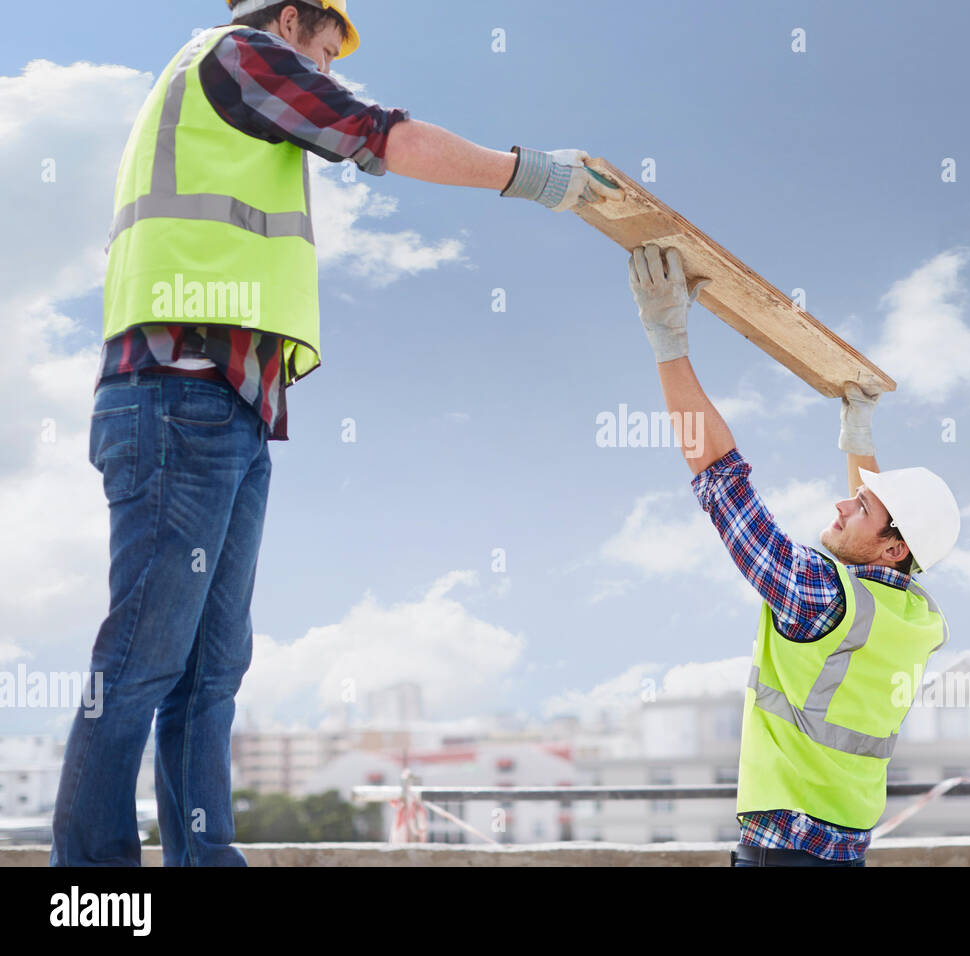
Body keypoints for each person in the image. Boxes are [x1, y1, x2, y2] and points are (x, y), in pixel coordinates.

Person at [51, 0, 621, 867]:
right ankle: (88, 891)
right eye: (322, 48)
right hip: (176, 396)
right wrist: (528, 174)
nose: (325, 67)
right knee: (140, 659)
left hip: (228, 408)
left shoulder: (238, 82)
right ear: (287, 22)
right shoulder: (238, 56)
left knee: (209, 676)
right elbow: (375, 133)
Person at [626, 243, 961, 867]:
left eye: (858, 507)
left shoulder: (818, 594)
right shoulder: (917, 616)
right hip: (842, 848)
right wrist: (859, 438)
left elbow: (722, 481)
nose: (839, 506)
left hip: (785, 853)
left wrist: (668, 341)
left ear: (892, 547)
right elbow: (883, 538)